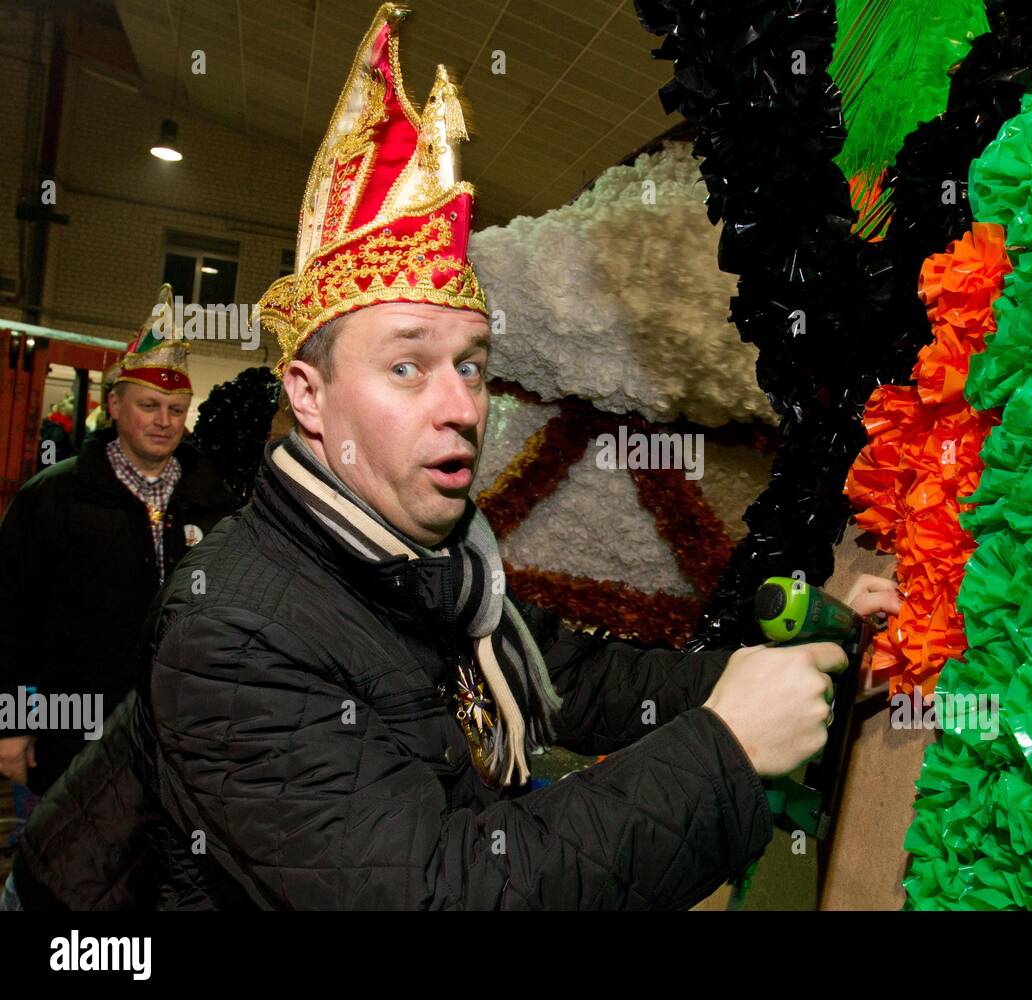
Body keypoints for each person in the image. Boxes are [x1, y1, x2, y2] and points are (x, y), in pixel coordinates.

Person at [7, 4, 900, 910]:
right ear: (309, 397)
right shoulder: (234, 634)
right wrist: (722, 750)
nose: (461, 407)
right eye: (407, 366)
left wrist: (790, 650)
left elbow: (582, 680)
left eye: (471, 366)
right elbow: (440, 894)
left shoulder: (442, 559)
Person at [0, 286, 239, 802]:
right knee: (62, 868)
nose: (164, 421)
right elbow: (11, 616)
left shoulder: (212, 502)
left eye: (177, 409)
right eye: (150, 405)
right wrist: (11, 725)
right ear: (114, 404)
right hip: (72, 732)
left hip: (182, 738)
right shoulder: (55, 497)